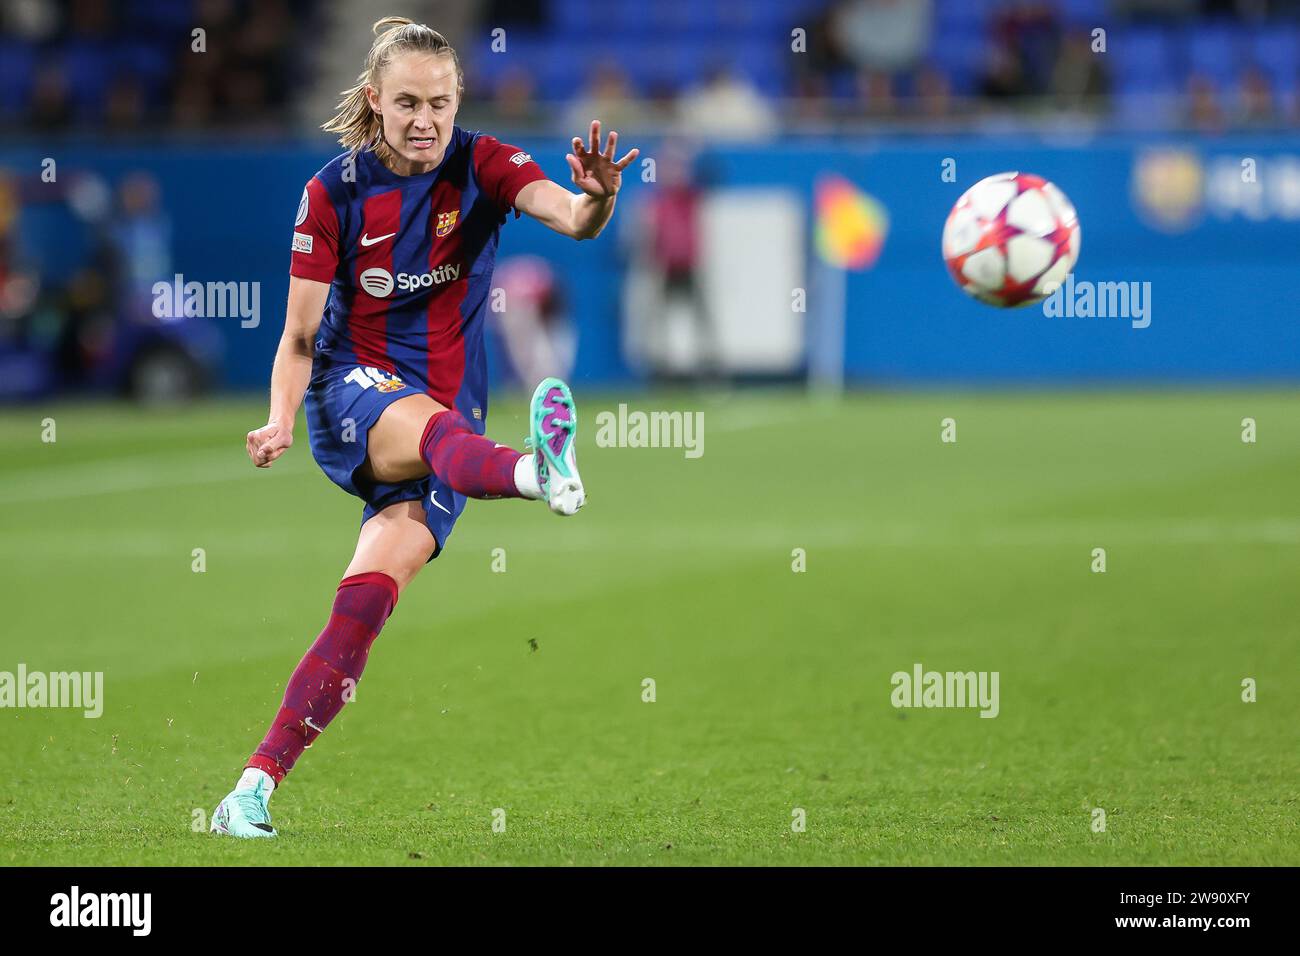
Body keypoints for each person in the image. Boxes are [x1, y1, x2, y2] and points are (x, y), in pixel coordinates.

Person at [210, 16, 638, 838]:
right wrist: (278, 419)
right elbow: (298, 336)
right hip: (350, 394)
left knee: (363, 608)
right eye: (407, 102)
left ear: (458, 99)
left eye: (439, 103)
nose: (424, 120)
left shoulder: (485, 163)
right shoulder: (332, 193)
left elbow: (570, 217)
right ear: (375, 99)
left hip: (450, 422)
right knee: (433, 428)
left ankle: (250, 791)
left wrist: (600, 195)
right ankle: (535, 471)